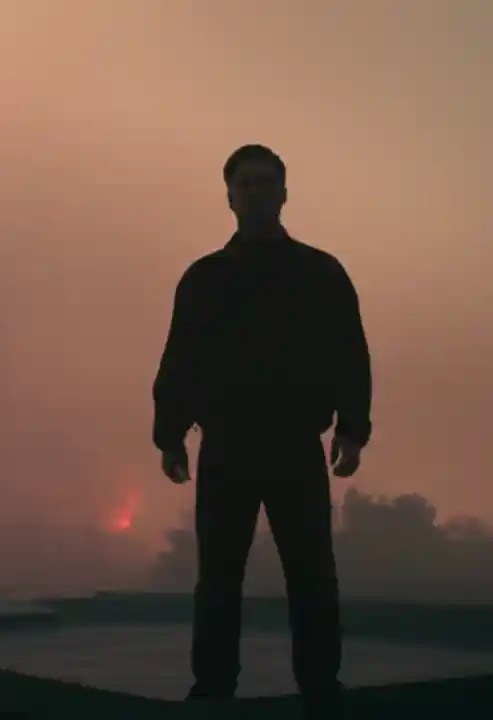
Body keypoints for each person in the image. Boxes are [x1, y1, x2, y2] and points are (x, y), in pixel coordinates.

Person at [151, 144, 371, 719]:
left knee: (312, 571)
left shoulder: (320, 273)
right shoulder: (205, 278)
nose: (253, 192)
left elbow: (350, 353)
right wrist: (169, 435)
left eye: (264, 183)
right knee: (219, 574)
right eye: (243, 184)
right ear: (229, 196)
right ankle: (214, 686)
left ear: (283, 193)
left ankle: (321, 683)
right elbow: (180, 358)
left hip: (295, 445)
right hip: (226, 445)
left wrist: (352, 429)